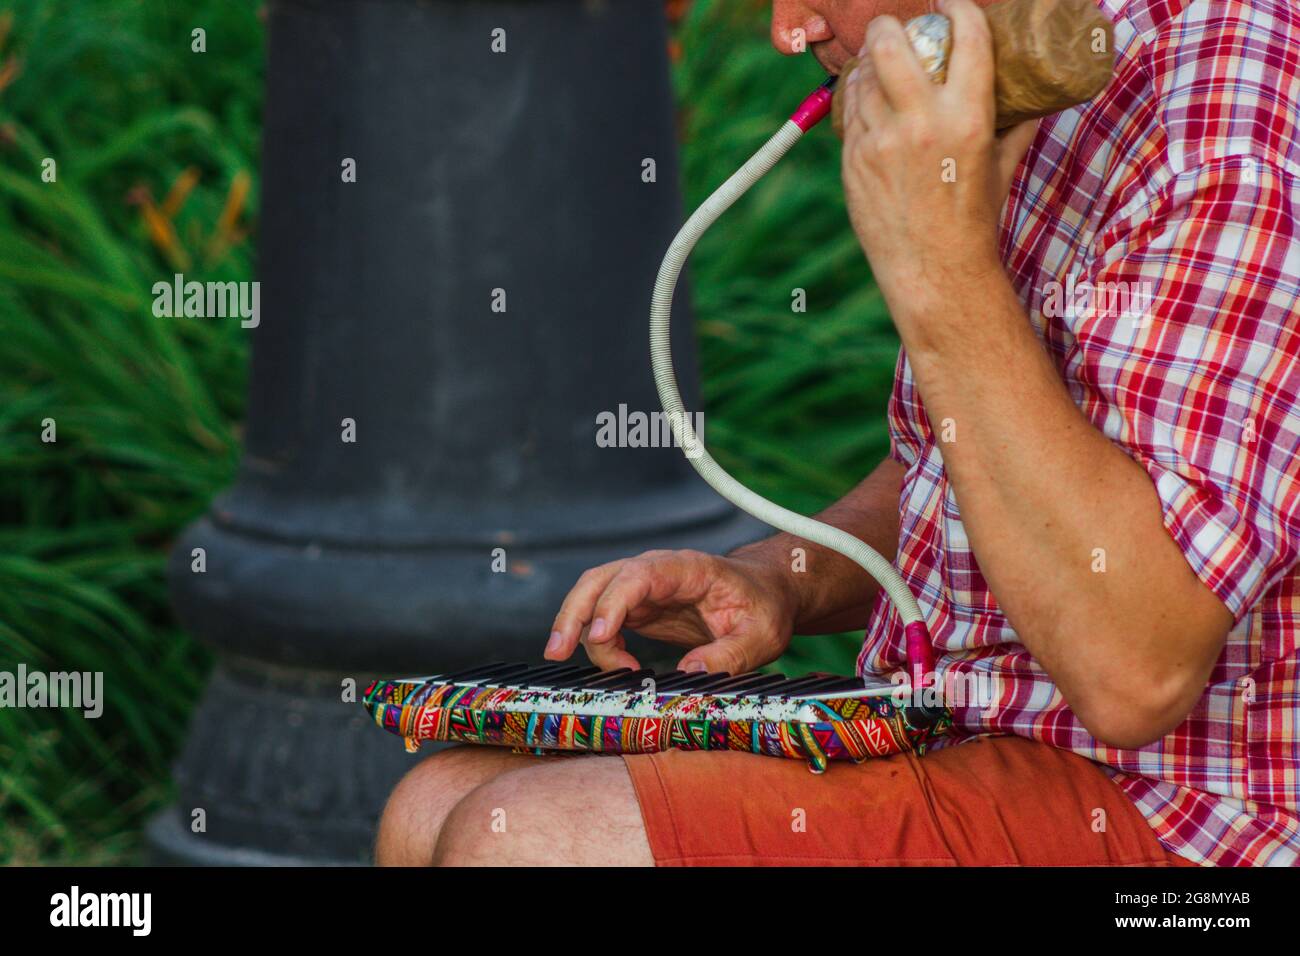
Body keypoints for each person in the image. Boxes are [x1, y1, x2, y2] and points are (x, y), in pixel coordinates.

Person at [376, 0, 1300, 866]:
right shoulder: (1023, 69)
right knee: (437, 805)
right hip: (977, 732)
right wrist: (784, 578)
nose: (792, 26)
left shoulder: (1223, 113)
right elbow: (992, 458)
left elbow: (1135, 671)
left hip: (1190, 821)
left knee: (534, 843)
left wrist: (940, 270)